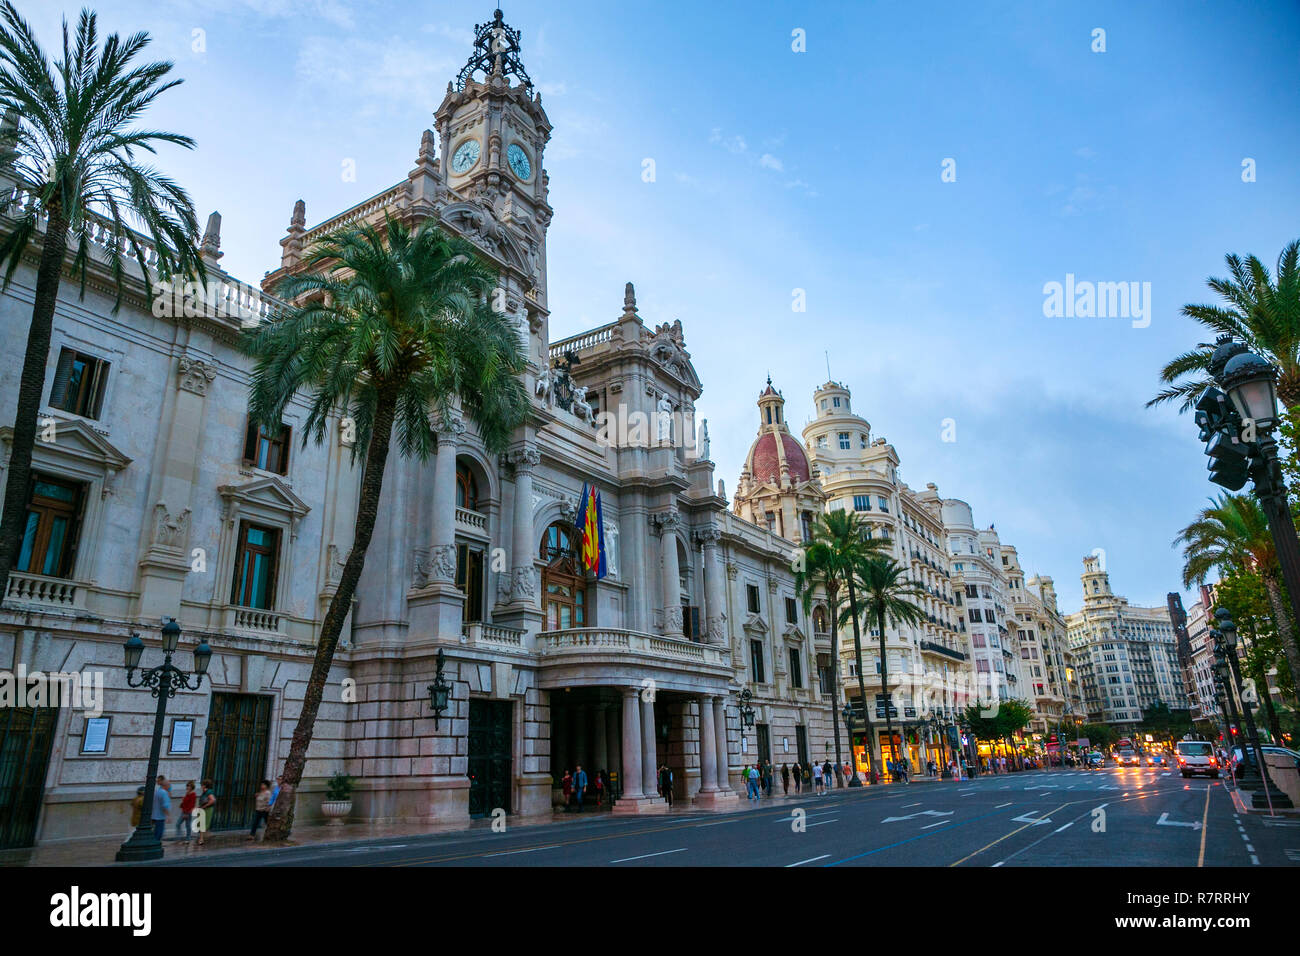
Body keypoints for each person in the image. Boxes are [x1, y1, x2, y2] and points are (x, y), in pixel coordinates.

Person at [195, 780, 216, 846]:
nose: (201, 786)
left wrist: (205, 806)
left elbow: (213, 800)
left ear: (205, 785)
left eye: (202, 785)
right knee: (201, 823)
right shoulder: (205, 792)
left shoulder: (208, 792)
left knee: (202, 824)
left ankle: (201, 839)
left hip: (207, 809)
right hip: (203, 809)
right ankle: (203, 837)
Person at [151, 775, 171, 841]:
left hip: (154, 817)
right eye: (169, 785)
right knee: (158, 835)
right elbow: (165, 806)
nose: (170, 786)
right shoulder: (164, 793)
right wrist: (168, 815)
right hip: (160, 818)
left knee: (154, 834)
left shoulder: (157, 791)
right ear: (166, 785)